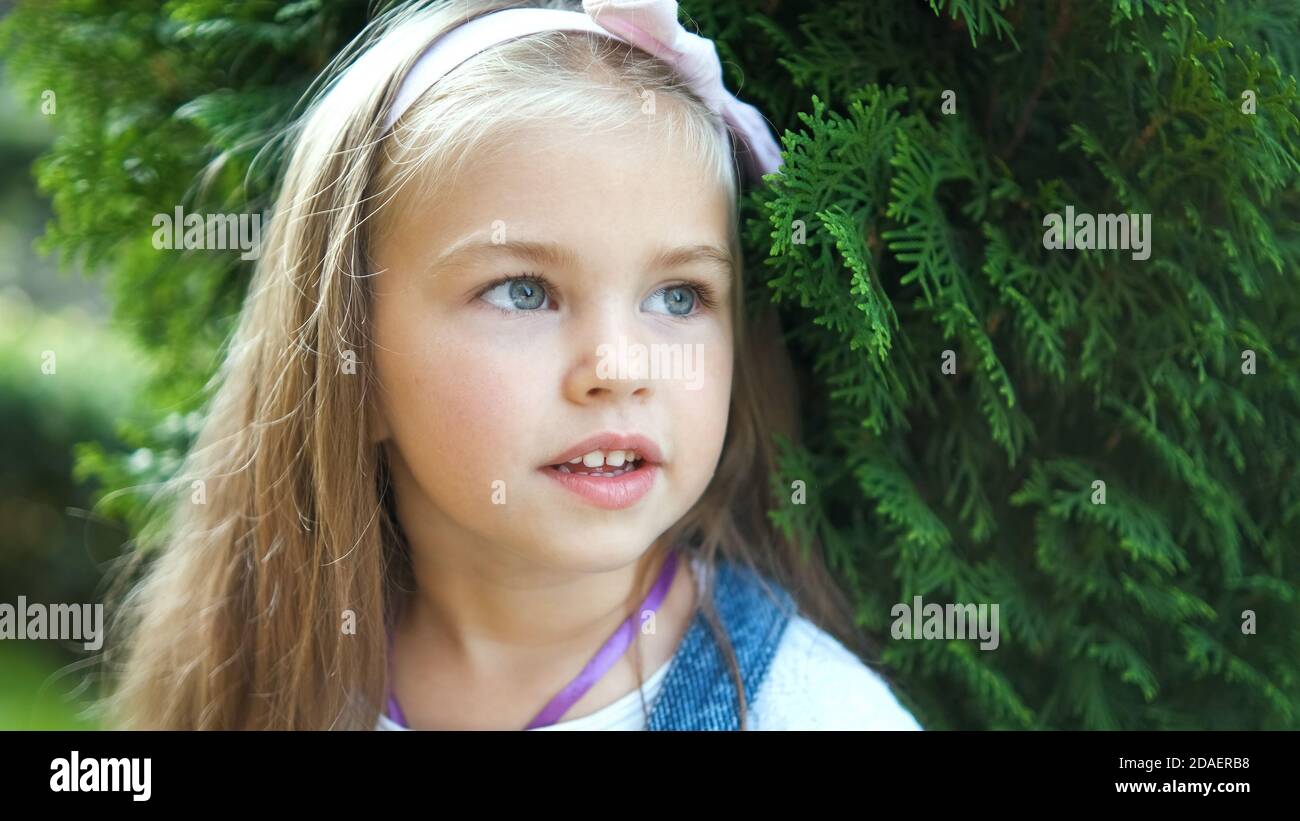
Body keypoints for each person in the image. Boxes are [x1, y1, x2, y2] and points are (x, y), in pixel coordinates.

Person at [104, 0, 922, 731]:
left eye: (678, 296)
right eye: (524, 291)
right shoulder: (258, 680)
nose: (617, 366)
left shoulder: (811, 711)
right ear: (353, 362)